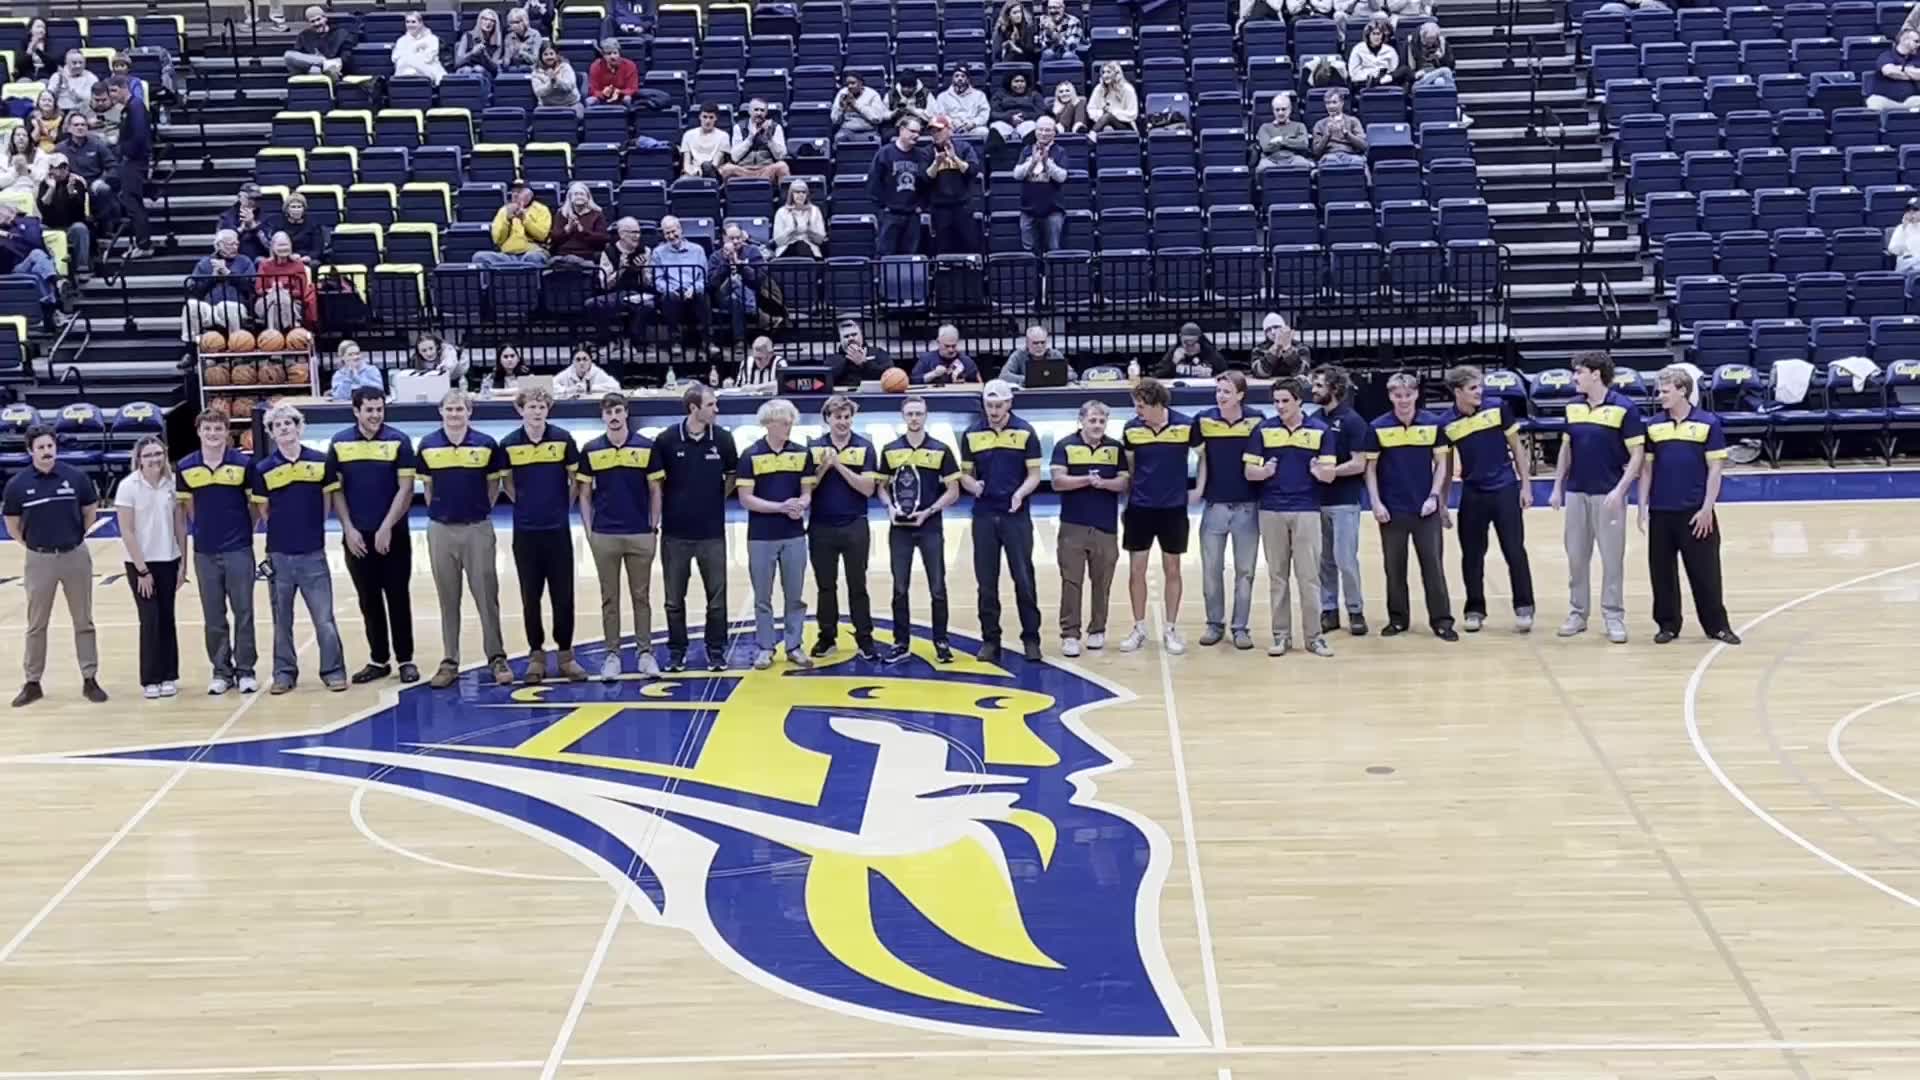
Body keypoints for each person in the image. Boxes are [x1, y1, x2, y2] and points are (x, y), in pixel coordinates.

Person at [250, 404, 350, 693]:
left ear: (298, 427)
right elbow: (264, 511)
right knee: (282, 621)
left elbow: (327, 501)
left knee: (324, 619)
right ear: (271, 433)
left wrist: (312, 528)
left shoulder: (320, 461)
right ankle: (284, 673)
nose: (284, 428)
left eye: (288, 423)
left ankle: (333, 670)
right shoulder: (263, 469)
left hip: (313, 554)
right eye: (277, 425)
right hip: (279, 555)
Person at [4, 425, 106, 706]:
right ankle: (32, 682)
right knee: (36, 624)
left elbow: (90, 511)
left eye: (50, 446)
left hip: (75, 555)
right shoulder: (18, 485)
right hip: (39, 559)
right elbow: (12, 524)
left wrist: (76, 537)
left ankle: (90, 678)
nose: (47, 452)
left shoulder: (76, 477)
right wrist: (32, 546)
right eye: (41, 447)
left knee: (83, 620)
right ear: (30, 451)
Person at [1639, 366, 1741, 646]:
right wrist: (1642, 505)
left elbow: (1715, 469)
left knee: (1705, 572)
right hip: (1661, 512)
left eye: (1665, 391)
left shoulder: (1708, 423)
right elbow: (1647, 470)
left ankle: (1717, 626)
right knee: (1661, 573)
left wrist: (1707, 508)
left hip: (1696, 512)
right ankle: (1668, 625)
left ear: (1682, 390)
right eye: (1659, 391)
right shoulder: (1653, 425)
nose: (1660, 396)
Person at [1548, 350, 1646, 644]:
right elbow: (1566, 449)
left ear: (1596, 374)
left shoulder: (1624, 408)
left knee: (1612, 559)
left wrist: (1620, 490)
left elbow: (1637, 454)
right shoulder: (1572, 407)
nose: (1574, 378)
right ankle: (1577, 614)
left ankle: (1613, 616)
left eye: (1578, 372)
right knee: (1576, 558)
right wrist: (1557, 487)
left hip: (1609, 494)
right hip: (1576, 492)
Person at [418, 388, 513, 688]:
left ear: (469, 412)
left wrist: (480, 512)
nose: (455, 414)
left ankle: (496, 657)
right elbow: (429, 489)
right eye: (450, 409)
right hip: (441, 530)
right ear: (441, 412)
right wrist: (440, 514)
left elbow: (494, 487)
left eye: (460, 409)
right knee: (448, 598)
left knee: (487, 596)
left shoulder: (486, 444)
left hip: (477, 528)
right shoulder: (428, 445)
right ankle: (450, 661)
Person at [327, 386, 420, 685]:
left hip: (393, 535)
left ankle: (405, 659)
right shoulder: (339, 442)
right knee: (368, 599)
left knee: (398, 596)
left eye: (379, 409)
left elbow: (406, 489)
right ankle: (379, 660)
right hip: (357, 536)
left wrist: (386, 527)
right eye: (369, 410)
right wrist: (348, 528)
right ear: (356, 411)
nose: (375, 415)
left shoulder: (399, 440)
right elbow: (336, 491)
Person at [1244, 376, 1338, 657]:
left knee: (1309, 578)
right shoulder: (1263, 430)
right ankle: (1281, 636)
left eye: (1285, 401)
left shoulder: (1320, 431)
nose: (1280, 406)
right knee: (1277, 577)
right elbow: (1249, 472)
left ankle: (1314, 637)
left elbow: (1329, 475)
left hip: (1307, 510)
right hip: (1271, 509)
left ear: (1299, 401)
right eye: (1276, 401)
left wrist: (1318, 472)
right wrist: (1265, 472)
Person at [500, 384, 587, 682]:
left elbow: (575, 479)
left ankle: (566, 655)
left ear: (548, 410)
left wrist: (563, 506)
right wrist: (525, 504)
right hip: (525, 532)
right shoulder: (509, 444)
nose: (537, 412)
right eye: (531, 407)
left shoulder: (563, 439)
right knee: (530, 595)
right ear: (520, 410)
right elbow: (507, 483)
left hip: (557, 530)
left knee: (563, 594)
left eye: (541, 407)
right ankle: (536, 656)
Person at [1439, 365, 1535, 633]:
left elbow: (1518, 448)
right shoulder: (1446, 423)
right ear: (1457, 392)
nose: (1479, 391)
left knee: (1514, 550)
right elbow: (1446, 468)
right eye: (1473, 388)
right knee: (1472, 555)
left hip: (1505, 489)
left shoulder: (1498, 408)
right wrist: (1443, 503)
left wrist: (1526, 486)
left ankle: (1524, 606)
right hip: (1473, 493)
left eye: (1480, 386)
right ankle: (1475, 609)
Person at [652, 383, 740, 671]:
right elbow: (657, 483)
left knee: (717, 599)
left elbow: (731, 475)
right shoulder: (666, 439)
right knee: (673, 600)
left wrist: (715, 498)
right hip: (675, 533)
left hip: (712, 533)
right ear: (694, 408)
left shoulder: (723, 439)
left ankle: (716, 651)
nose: (716, 410)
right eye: (711, 405)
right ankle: (677, 651)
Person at [1363, 372, 1457, 640]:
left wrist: (1434, 497)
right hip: (1392, 510)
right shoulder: (1377, 427)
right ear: (1390, 396)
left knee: (1433, 567)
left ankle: (1442, 621)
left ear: (1416, 394)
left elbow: (1442, 465)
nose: (1403, 400)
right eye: (1398, 395)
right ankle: (1397, 620)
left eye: (1408, 394)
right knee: (1394, 568)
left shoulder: (1433, 424)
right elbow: (1370, 469)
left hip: (1425, 510)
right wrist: (1376, 502)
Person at [577, 392, 663, 680]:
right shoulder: (591, 449)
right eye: (608, 412)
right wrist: (589, 530)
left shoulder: (646, 447)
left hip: (640, 533)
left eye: (618, 411)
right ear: (602, 417)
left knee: (642, 596)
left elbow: (655, 491)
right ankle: (612, 655)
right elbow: (584, 494)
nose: (613, 417)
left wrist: (653, 527)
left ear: (626, 413)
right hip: (605, 534)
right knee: (609, 598)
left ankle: (645, 653)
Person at [960, 379, 1044, 662]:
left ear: (1009, 403)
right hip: (984, 516)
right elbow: (965, 474)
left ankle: (1031, 638)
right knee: (986, 582)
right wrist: (973, 486)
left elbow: (1034, 475)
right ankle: (990, 640)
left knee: (1024, 579)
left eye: (998, 405)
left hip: (1015, 516)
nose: (994, 411)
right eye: (989, 405)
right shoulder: (972, 433)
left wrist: (1020, 494)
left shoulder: (1025, 432)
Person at [177, 409, 259, 695]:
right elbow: (188, 509)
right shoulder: (186, 466)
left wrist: (242, 532)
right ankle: (221, 671)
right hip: (205, 551)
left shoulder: (243, 464)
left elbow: (254, 507)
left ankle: (246, 670)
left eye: (218, 429)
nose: (213, 434)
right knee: (213, 616)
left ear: (227, 432)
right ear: (199, 431)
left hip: (239, 549)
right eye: (207, 429)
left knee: (244, 612)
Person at [1117, 378, 1199, 654]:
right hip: (1140, 508)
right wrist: (1128, 501)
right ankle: (1139, 628)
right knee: (1136, 570)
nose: (1137, 411)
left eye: (1141, 406)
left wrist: (1199, 488)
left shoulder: (1185, 425)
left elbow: (1204, 457)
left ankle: (1170, 629)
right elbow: (1131, 468)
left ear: (1157, 404)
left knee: (1172, 569)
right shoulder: (1131, 429)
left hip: (1173, 509)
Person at [879, 395, 963, 662]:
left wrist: (929, 511)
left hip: (930, 527)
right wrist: (889, 508)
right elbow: (881, 487)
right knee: (899, 588)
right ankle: (900, 642)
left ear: (926, 416)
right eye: (910, 414)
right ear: (903, 416)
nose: (914, 418)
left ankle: (941, 641)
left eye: (919, 413)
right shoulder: (890, 450)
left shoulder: (941, 449)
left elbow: (953, 491)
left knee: (937, 587)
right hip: (900, 529)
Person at [735, 399, 814, 669]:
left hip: (794, 535)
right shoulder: (750, 455)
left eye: (790, 422)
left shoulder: (802, 454)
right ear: (768, 424)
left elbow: (807, 492)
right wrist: (780, 507)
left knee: (795, 596)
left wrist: (801, 504)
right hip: (761, 536)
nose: (788, 427)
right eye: (783, 422)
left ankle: (794, 646)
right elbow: (746, 499)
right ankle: (765, 647)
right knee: (762, 598)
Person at [806, 395, 881, 660]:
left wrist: (838, 465)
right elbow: (807, 488)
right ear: (827, 418)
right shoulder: (813, 448)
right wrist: (824, 468)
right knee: (825, 586)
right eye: (837, 417)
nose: (843, 422)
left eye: (847, 417)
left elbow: (868, 488)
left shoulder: (865, 447)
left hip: (855, 524)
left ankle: (865, 638)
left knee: (858, 584)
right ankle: (827, 637)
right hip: (821, 526)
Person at [1048, 400, 1126, 656]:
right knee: (1071, 581)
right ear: (1081, 421)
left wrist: (1104, 484)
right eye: (1092, 420)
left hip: (1106, 527)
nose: (1097, 425)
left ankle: (1097, 630)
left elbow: (1124, 483)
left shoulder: (1115, 448)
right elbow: (1058, 481)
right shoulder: (1065, 445)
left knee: (1102, 582)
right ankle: (1070, 634)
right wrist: (1087, 480)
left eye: (1102, 421)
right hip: (1073, 525)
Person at [1194, 370, 1264, 650]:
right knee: (1211, 570)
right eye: (1218, 391)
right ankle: (1214, 624)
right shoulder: (1204, 420)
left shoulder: (1256, 419)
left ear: (1240, 395)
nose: (1220, 396)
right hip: (1214, 506)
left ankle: (1240, 627)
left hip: (1248, 506)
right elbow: (1200, 459)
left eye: (1226, 392)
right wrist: (1198, 489)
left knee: (1245, 571)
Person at [116, 435, 187, 699]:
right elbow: (127, 530)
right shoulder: (128, 486)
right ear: (139, 459)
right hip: (140, 564)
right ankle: (151, 678)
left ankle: (169, 675)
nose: (154, 459)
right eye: (148, 455)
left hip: (169, 559)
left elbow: (180, 525)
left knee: (167, 618)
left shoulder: (173, 484)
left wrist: (183, 564)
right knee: (150, 620)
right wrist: (142, 570)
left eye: (158, 454)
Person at [1311, 364, 1370, 636]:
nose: (1314, 390)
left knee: (1345, 559)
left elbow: (1359, 463)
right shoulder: (1314, 419)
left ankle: (1356, 611)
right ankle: (1329, 610)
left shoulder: (1352, 421)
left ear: (1334, 388)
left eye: (1319, 385)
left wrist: (1330, 472)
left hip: (1345, 501)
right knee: (1324, 561)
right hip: (1317, 501)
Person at [650, 215, 711, 354]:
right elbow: (658, 279)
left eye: (673, 231)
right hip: (672, 291)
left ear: (680, 230)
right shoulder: (658, 252)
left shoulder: (698, 250)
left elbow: (703, 278)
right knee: (668, 296)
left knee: (703, 295)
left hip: (693, 290)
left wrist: (694, 289)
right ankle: (675, 341)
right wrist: (671, 290)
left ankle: (707, 341)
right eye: (667, 233)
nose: (671, 236)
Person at [868, 117, 928, 256]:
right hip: (890, 214)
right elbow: (874, 182)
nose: (916, 135)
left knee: (910, 256)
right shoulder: (884, 153)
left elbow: (926, 183)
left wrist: (921, 206)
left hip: (913, 215)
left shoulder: (921, 156)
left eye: (918, 132)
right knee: (886, 254)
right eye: (912, 131)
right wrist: (883, 207)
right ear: (901, 130)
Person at [922, 116, 982, 254]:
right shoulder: (926, 152)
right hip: (939, 209)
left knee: (969, 247)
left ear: (949, 130)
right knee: (943, 250)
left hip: (963, 206)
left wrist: (954, 158)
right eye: (932, 131)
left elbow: (973, 171)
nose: (935, 134)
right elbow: (924, 178)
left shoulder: (964, 148)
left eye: (939, 130)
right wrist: (936, 163)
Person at [0, 205, 65, 328]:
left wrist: (12, 230)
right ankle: (58, 283)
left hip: (29, 264)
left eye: (3, 213)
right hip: (11, 269)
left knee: (37, 270)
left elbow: (34, 242)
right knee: (37, 256)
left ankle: (50, 311)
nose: (2, 216)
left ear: (12, 213)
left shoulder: (26, 224)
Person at [1013, 116, 1068, 255]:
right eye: (1040, 130)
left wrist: (1046, 162)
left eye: (1048, 130)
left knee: (1054, 250)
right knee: (1028, 251)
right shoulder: (1027, 150)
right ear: (1035, 131)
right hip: (1028, 209)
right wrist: (1032, 162)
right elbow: (1017, 174)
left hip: (1053, 209)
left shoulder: (1060, 151)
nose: (1043, 133)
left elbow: (1062, 177)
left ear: (1054, 133)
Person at [595, 216, 653, 346]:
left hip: (638, 293)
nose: (637, 236)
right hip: (615, 294)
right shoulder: (609, 252)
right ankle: (609, 339)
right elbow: (605, 284)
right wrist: (621, 269)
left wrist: (642, 270)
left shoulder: (645, 251)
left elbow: (648, 283)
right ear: (622, 234)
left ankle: (634, 340)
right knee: (591, 304)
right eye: (633, 232)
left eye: (638, 232)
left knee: (648, 305)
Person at [707, 221, 767, 343]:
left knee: (735, 298)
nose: (735, 241)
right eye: (731, 238)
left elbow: (759, 278)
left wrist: (740, 265)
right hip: (722, 296)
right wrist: (725, 263)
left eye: (738, 238)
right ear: (724, 238)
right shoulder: (715, 257)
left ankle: (740, 341)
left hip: (747, 293)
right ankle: (753, 309)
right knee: (734, 280)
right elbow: (712, 283)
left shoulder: (752, 252)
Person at [474, 180, 551, 267]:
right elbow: (497, 239)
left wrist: (524, 219)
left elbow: (542, 235)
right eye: (513, 191)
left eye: (520, 191)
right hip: (507, 256)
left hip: (532, 252)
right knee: (479, 257)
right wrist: (507, 220)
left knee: (534, 258)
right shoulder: (504, 210)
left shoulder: (541, 209)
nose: (515, 194)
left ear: (530, 195)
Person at [255, 231, 317, 331]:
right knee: (277, 297)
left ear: (290, 246)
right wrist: (271, 290)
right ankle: (290, 329)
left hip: (293, 302)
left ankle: (272, 332)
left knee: (280, 299)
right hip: (265, 301)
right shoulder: (265, 264)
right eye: (280, 245)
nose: (283, 248)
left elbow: (300, 291)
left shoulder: (298, 264)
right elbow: (259, 289)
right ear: (273, 247)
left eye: (285, 245)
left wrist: (285, 292)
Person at [722, 99, 791, 182]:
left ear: (766, 113)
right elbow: (734, 157)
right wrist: (750, 138)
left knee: (782, 166)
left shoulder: (775, 127)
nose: (759, 113)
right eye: (756, 110)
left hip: (766, 170)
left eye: (762, 110)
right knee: (727, 168)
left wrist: (770, 139)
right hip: (743, 170)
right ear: (749, 111)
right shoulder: (739, 127)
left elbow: (781, 156)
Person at [550, 181, 608, 268]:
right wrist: (567, 229)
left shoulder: (597, 214)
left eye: (582, 194)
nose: (579, 197)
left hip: (586, 256)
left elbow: (602, 239)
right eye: (576, 194)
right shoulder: (562, 213)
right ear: (570, 197)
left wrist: (583, 231)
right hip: (562, 255)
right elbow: (554, 239)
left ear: (588, 197)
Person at [284, 3, 353, 73]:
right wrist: (315, 60)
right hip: (310, 68)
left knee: (315, 70)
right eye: (312, 21)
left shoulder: (339, 33)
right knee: (288, 55)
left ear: (325, 18)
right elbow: (298, 57)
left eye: (318, 19)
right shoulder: (303, 36)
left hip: (332, 70)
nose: (316, 23)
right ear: (308, 23)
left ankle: (324, 63)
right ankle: (323, 61)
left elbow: (345, 58)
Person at [1254, 92, 1312, 171]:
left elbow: (1303, 144)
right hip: (1270, 159)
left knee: (1305, 166)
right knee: (1263, 168)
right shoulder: (1265, 127)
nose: (1280, 113)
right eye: (1277, 110)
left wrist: (1280, 140)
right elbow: (1266, 148)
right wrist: (1292, 142)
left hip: (1295, 158)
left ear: (1290, 109)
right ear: (1273, 111)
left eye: (1283, 109)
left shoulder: (1299, 126)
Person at [1312, 88, 1369, 165]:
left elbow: (1364, 146)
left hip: (1351, 155)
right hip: (1329, 156)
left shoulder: (1353, 121)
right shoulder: (1320, 124)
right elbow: (1316, 152)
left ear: (1342, 103)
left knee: (1360, 163)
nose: (1331, 106)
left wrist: (1347, 134)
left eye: (1334, 102)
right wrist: (1326, 136)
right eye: (1328, 103)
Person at [773, 179, 827, 258]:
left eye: (803, 192)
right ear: (791, 194)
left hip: (810, 250)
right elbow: (778, 242)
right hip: (786, 250)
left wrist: (809, 230)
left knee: (802, 245)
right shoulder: (781, 212)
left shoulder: (815, 211)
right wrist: (790, 230)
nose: (801, 195)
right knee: (798, 245)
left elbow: (820, 240)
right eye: (797, 192)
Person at [990, 72, 1044, 151]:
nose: (1019, 84)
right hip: (1005, 122)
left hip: (1027, 122)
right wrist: (1010, 117)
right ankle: (998, 156)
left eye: (1022, 81)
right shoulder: (999, 95)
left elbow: (1041, 113)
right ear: (1010, 83)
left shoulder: (1034, 95)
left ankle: (1028, 153)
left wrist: (1023, 116)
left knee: (1033, 126)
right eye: (1016, 81)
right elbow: (994, 114)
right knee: (995, 126)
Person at [1869, 29, 1920, 111]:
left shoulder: (1917, 58)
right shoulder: (1887, 55)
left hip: (1911, 100)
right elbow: (1889, 72)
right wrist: (1911, 73)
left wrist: (1901, 69)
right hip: (1885, 100)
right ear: (1905, 40)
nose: (1919, 44)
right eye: (1916, 41)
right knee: (1874, 102)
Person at [999, 324, 1066, 387]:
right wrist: (1027, 379)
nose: (1040, 346)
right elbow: (1003, 376)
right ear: (1027, 343)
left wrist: (1054, 377)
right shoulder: (1018, 356)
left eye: (1043, 342)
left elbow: (1071, 373)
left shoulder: (1055, 355)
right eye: (1035, 343)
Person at [831, 319, 893, 386]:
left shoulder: (877, 353)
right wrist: (847, 362)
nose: (851, 338)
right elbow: (827, 379)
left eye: (854, 334)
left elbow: (890, 375)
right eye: (846, 336)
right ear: (841, 340)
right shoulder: (833, 359)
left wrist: (864, 364)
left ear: (861, 335)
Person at [1150, 322, 1223, 378]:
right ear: (1180, 339)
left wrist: (1211, 374)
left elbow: (1224, 374)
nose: (1189, 346)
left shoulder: (1209, 352)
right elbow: (1157, 376)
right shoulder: (1174, 352)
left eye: (1193, 343)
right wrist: (1173, 363)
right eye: (1186, 342)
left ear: (1200, 340)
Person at [912, 323, 980, 383]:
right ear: (938, 342)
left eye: (953, 346)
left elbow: (979, 384)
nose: (951, 350)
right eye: (947, 346)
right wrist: (933, 374)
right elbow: (913, 380)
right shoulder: (926, 360)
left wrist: (964, 383)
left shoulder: (966, 361)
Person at [391, 13, 448, 83]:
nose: (410, 25)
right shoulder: (401, 40)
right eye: (407, 22)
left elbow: (428, 59)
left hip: (429, 73)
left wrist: (408, 55)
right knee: (407, 70)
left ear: (420, 23)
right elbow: (395, 58)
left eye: (413, 22)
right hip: (404, 73)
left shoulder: (432, 39)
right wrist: (417, 49)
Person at [831, 72, 890, 140]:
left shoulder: (873, 95)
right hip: (847, 130)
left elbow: (877, 119)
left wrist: (856, 105)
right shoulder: (842, 93)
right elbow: (835, 120)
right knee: (839, 138)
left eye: (853, 83)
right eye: (848, 84)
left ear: (861, 83)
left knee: (875, 140)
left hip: (868, 131)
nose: (849, 86)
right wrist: (841, 108)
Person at [268, 191, 323, 262]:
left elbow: (317, 249)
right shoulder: (279, 224)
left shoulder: (313, 224)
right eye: (293, 207)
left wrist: (308, 257)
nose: (296, 210)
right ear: (287, 209)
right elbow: (274, 247)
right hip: (284, 258)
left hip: (305, 259)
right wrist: (290, 257)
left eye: (299, 207)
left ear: (303, 209)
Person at [933, 67, 991, 135]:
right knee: (940, 132)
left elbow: (984, 113)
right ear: (952, 79)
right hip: (950, 128)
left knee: (984, 131)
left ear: (968, 79)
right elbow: (939, 115)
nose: (960, 78)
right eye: (957, 76)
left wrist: (973, 123)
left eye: (963, 76)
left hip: (972, 128)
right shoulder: (942, 97)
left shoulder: (979, 95)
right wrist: (951, 122)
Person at [1251, 312, 1310, 377]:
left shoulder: (1301, 348)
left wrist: (1288, 349)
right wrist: (1274, 350)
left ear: (1283, 328)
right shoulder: (1258, 350)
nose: (1273, 332)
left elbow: (1302, 372)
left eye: (1276, 327)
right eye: (1268, 329)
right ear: (1265, 334)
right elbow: (1260, 373)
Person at [680, 104, 730, 178]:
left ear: (716, 118)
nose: (707, 121)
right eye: (705, 117)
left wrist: (705, 172)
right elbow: (686, 164)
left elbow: (716, 162)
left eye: (711, 117)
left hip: (714, 172)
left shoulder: (723, 136)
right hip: (693, 172)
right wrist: (693, 173)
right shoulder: (688, 135)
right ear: (700, 117)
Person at [1348, 18, 1401, 88]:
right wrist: (1370, 76)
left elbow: (1393, 70)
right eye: (1373, 34)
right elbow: (1353, 73)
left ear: (1382, 35)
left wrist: (1383, 77)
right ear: (1368, 35)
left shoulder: (1390, 50)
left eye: (1379, 34)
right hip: (1363, 83)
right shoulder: (1358, 49)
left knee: (1404, 71)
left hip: (1385, 82)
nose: (1376, 37)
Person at [1088, 62, 1140, 133]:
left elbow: (1133, 114)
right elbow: (1091, 109)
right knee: (1107, 119)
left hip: (1125, 125)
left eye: (1108, 72)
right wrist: (1102, 113)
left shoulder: (1128, 89)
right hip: (1102, 124)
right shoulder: (1099, 89)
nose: (1105, 75)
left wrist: (1114, 113)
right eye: (1103, 72)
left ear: (1116, 74)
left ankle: (1092, 134)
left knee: (1108, 116)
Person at [532, 43, 583, 112]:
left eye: (551, 54)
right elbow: (539, 92)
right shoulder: (536, 72)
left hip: (571, 104)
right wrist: (551, 83)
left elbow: (569, 86)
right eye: (545, 54)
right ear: (541, 57)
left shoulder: (566, 67)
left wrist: (556, 80)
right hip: (547, 106)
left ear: (556, 55)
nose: (549, 57)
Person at [554, 343, 620, 396]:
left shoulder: (597, 372)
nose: (581, 363)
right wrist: (567, 390)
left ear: (590, 361)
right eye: (578, 360)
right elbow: (551, 386)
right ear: (573, 362)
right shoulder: (568, 372)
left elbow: (616, 386)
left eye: (585, 359)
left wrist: (589, 388)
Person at [588, 38, 639, 104]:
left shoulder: (630, 65)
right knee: (590, 100)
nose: (612, 57)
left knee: (627, 98)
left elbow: (633, 88)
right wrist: (602, 93)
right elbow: (592, 90)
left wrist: (619, 92)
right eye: (609, 54)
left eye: (615, 53)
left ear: (619, 53)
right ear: (603, 55)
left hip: (622, 97)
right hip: (602, 98)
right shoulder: (595, 66)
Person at [1409, 22, 1457, 88]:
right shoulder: (1412, 44)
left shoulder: (1442, 43)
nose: (1430, 44)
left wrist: (1441, 58)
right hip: (1421, 76)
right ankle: (1451, 90)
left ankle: (1447, 93)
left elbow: (1451, 65)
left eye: (1433, 40)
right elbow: (1406, 68)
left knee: (1440, 82)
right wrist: (1414, 74)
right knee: (1445, 70)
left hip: (1436, 73)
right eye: (1428, 41)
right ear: (1422, 36)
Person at [1892, 198, 1920, 273]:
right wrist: (1903, 229)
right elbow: (1894, 250)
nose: (1911, 213)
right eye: (1908, 211)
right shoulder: (1900, 228)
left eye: (1915, 210)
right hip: (1906, 264)